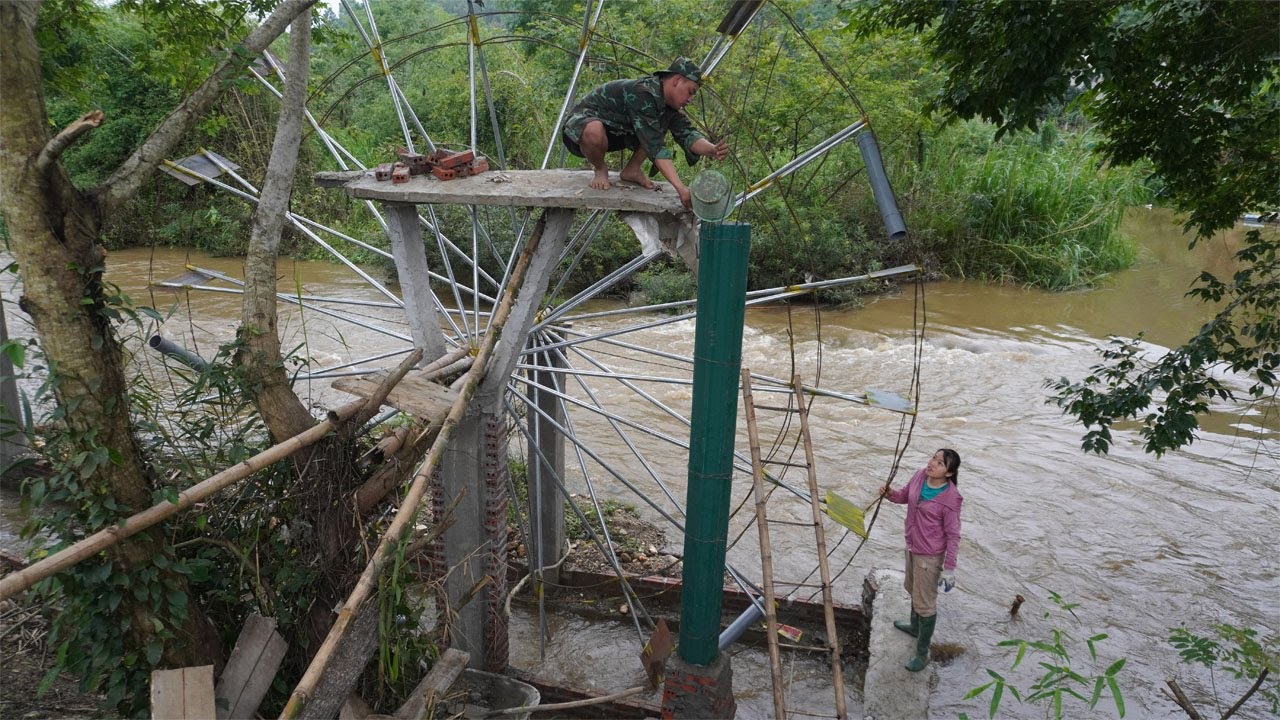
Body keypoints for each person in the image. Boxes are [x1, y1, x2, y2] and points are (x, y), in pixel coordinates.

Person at [561, 57, 730, 209]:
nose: (690, 99)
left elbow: (688, 134)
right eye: (690, 91)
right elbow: (655, 145)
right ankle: (599, 168)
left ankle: (632, 170)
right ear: (677, 80)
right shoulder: (643, 93)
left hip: (617, 134)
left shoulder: (668, 107)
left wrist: (712, 149)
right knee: (595, 129)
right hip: (581, 132)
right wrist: (681, 189)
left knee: (655, 127)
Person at [879, 448, 963, 672]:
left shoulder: (950, 499)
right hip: (912, 546)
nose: (932, 464)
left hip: (930, 556)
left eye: (940, 463)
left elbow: (953, 535)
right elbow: (904, 497)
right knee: (912, 589)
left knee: (925, 605)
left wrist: (949, 568)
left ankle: (922, 653)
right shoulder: (919, 476)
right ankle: (914, 628)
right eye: (933, 458)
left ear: (948, 473)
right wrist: (889, 494)